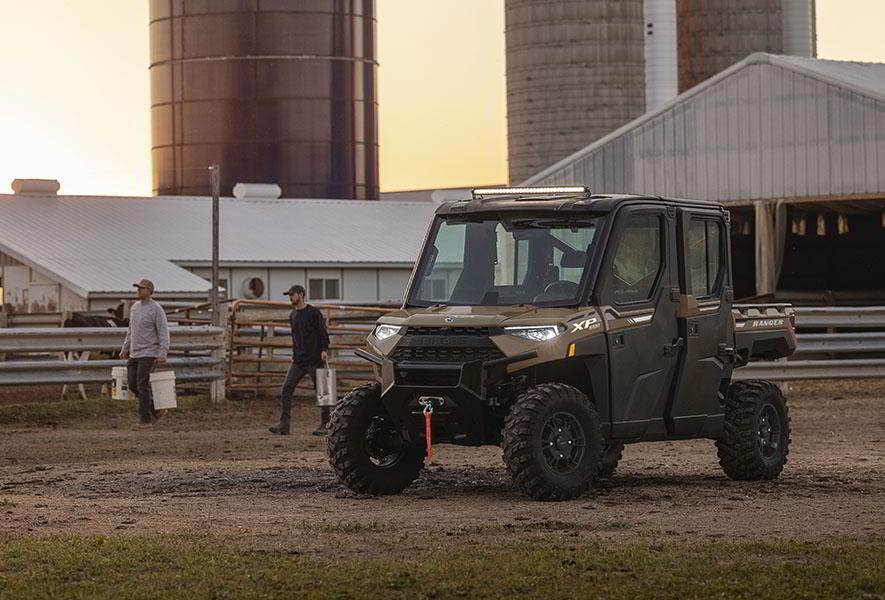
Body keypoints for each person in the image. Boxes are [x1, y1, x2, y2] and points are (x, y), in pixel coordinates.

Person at [269, 284, 330, 436]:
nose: (290, 297)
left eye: (293, 294)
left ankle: (326, 424)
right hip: (298, 361)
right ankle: (284, 424)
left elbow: (322, 332)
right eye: (289, 295)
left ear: (301, 294)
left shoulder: (314, 313)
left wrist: (324, 349)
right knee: (286, 389)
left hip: (315, 359)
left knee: (322, 392)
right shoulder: (293, 315)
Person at [119, 279, 170, 428]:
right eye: (138, 288)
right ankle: (156, 410)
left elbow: (163, 332)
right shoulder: (134, 308)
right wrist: (125, 348)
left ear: (149, 291)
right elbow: (131, 330)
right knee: (133, 384)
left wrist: (162, 352)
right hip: (135, 352)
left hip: (148, 352)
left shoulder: (156, 309)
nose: (138, 291)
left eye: (141, 288)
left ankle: (145, 419)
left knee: (142, 385)